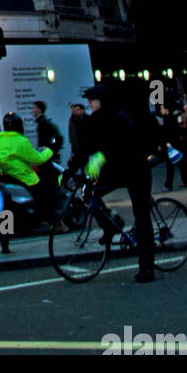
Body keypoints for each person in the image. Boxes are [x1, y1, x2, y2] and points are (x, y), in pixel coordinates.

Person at [79, 83, 156, 284]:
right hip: (116, 172)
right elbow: (84, 147)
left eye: (92, 100)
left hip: (136, 169)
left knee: (142, 215)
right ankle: (110, 226)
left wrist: (102, 155)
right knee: (89, 194)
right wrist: (73, 169)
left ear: (101, 101)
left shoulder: (120, 117)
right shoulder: (93, 121)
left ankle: (147, 267)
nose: (89, 104)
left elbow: (124, 145)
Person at [0, 112, 57, 225]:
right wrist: (50, 150)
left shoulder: (0, 139)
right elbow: (38, 159)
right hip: (23, 176)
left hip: (8, 175)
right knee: (44, 197)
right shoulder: (20, 141)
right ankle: (54, 224)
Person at [67, 101, 89, 172]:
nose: (74, 112)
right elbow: (72, 136)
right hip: (77, 149)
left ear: (82, 110)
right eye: (73, 110)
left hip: (84, 149)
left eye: (77, 110)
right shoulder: (73, 120)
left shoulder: (86, 119)